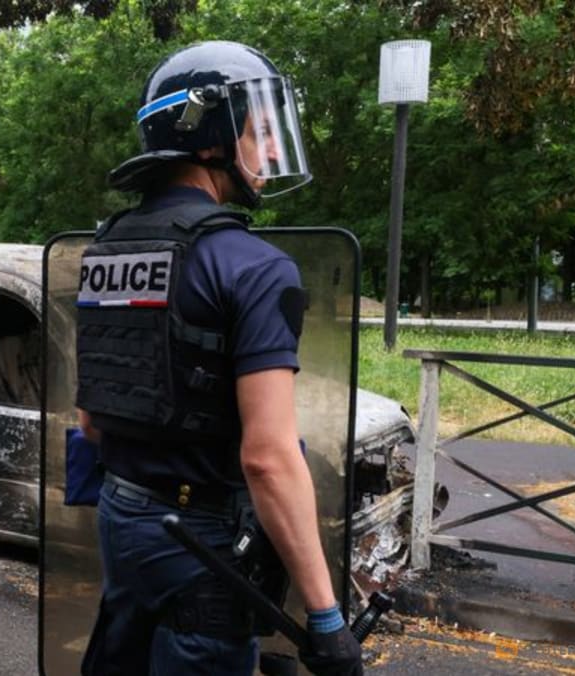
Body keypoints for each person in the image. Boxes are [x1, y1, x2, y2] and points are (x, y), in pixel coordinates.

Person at [75, 41, 362, 676]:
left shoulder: (107, 250)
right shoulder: (256, 268)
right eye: (261, 131)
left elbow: (92, 421)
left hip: (123, 520)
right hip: (201, 543)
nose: (273, 150)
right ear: (208, 137)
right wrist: (326, 618)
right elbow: (267, 457)